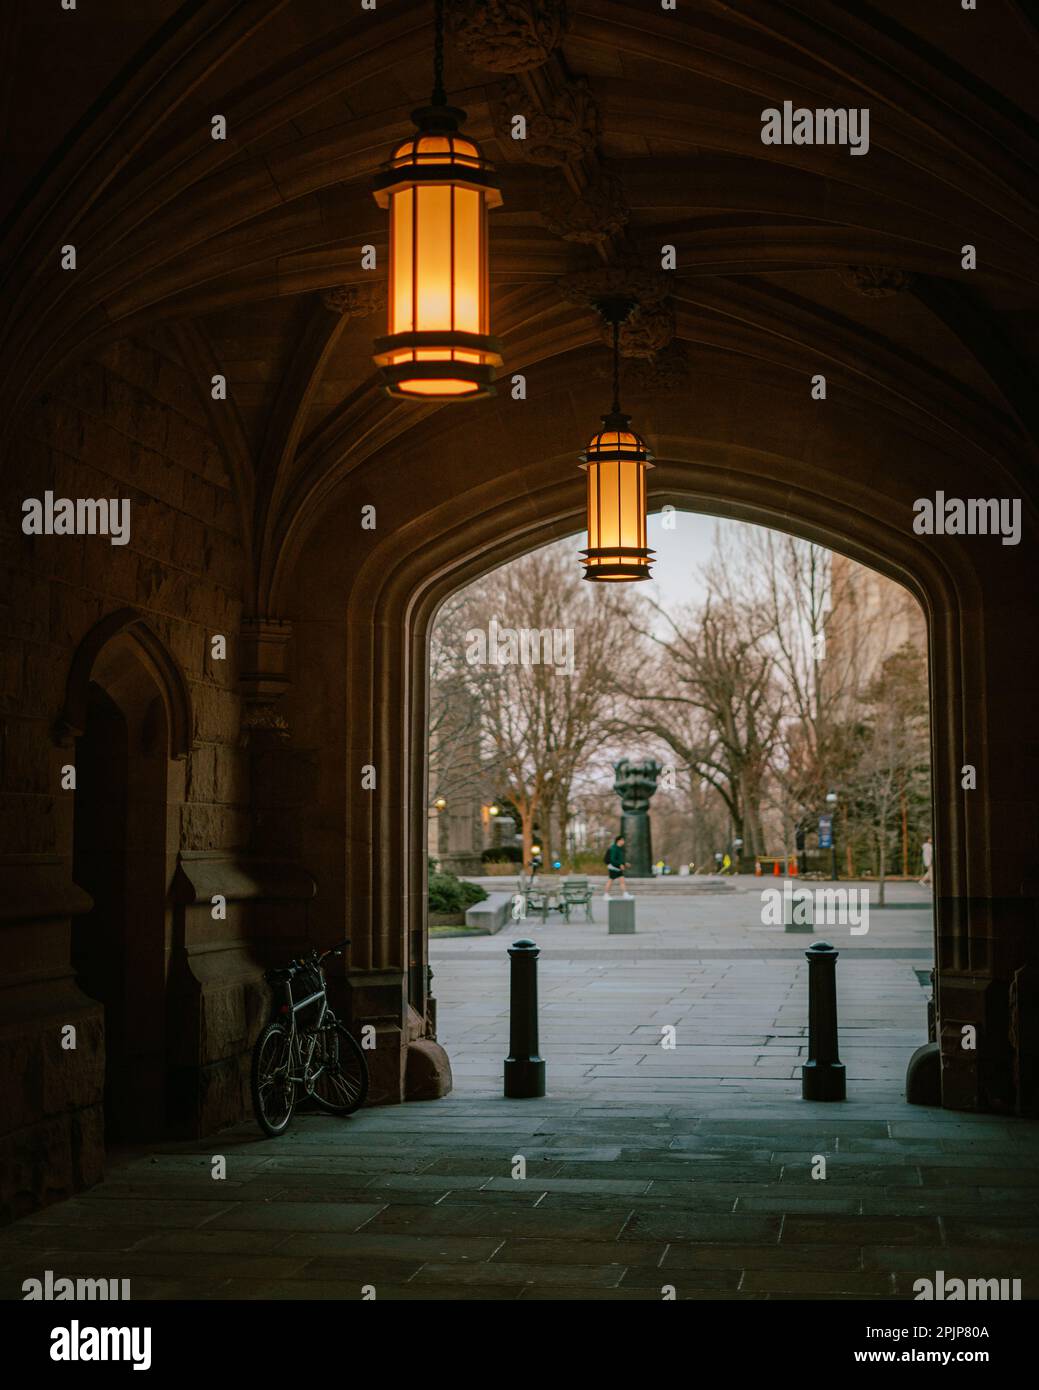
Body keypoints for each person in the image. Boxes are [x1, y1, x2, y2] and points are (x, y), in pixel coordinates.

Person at [603, 835, 631, 899]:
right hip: (613, 867)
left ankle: (625, 894)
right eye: (622, 840)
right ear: (618, 841)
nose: (623, 841)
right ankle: (606, 895)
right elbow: (612, 859)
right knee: (610, 880)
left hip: (617, 867)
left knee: (622, 881)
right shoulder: (614, 848)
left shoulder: (619, 848)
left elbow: (619, 859)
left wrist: (624, 863)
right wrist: (620, 865)